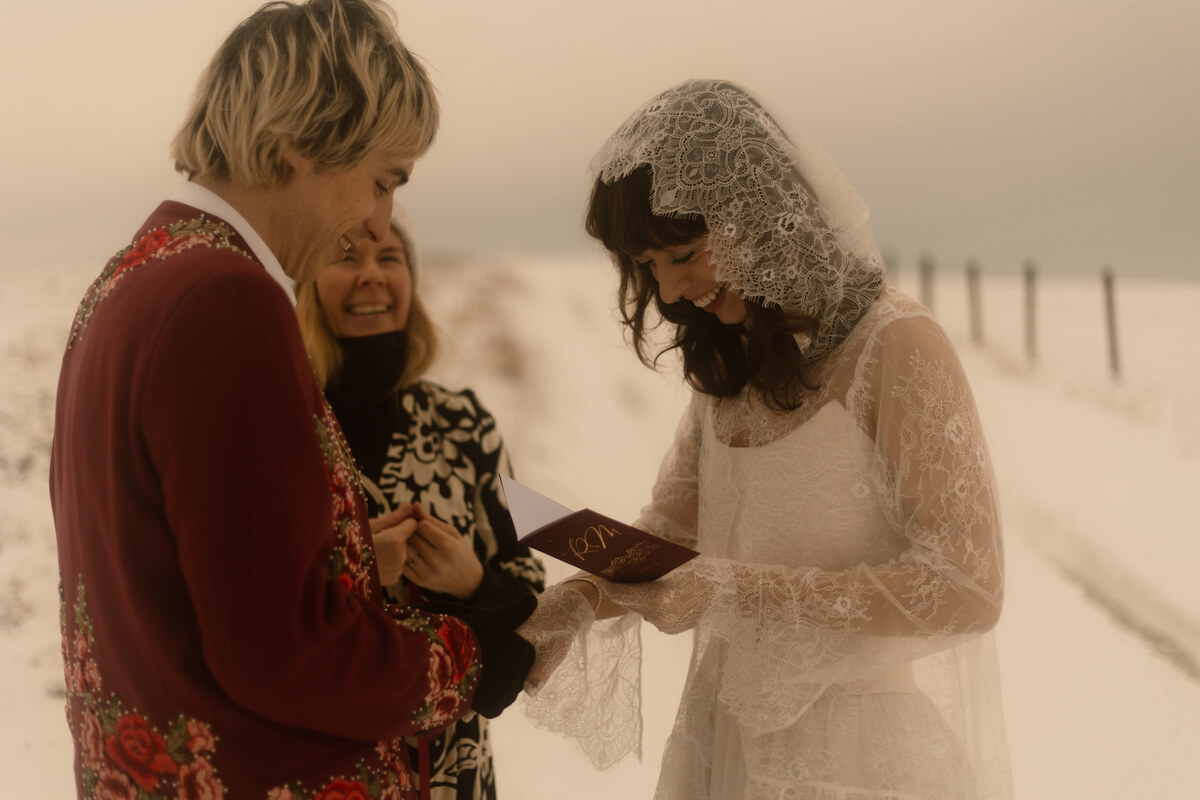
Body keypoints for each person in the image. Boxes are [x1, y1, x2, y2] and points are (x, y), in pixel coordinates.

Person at [49, 2, 533, 797]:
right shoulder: (226, 300)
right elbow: (282, 654)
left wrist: (340, 565)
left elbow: (170, 577)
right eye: (382, 181)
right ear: (302, 142)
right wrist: (472, 659)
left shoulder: (127, 279)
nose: (376, 222)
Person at [518, 79, 1013, 799]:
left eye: (683, 252)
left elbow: (969, 586)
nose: (670, 292)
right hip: (721, 748)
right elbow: (672, 530)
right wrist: (577, 600)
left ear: (760, 213)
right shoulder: (732, 358)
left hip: (857, 763)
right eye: (648, 266)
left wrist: (733, 588)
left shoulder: (897, 346)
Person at [294, 207, 546, 799]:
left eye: (390, 258)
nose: (373, 275)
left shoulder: (466, 424)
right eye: (346, 257)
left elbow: (533, 586)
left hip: (451, 772)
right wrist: (360, 573)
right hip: (326, 763)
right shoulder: (287, 429)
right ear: (307, 286)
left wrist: (474, 583)